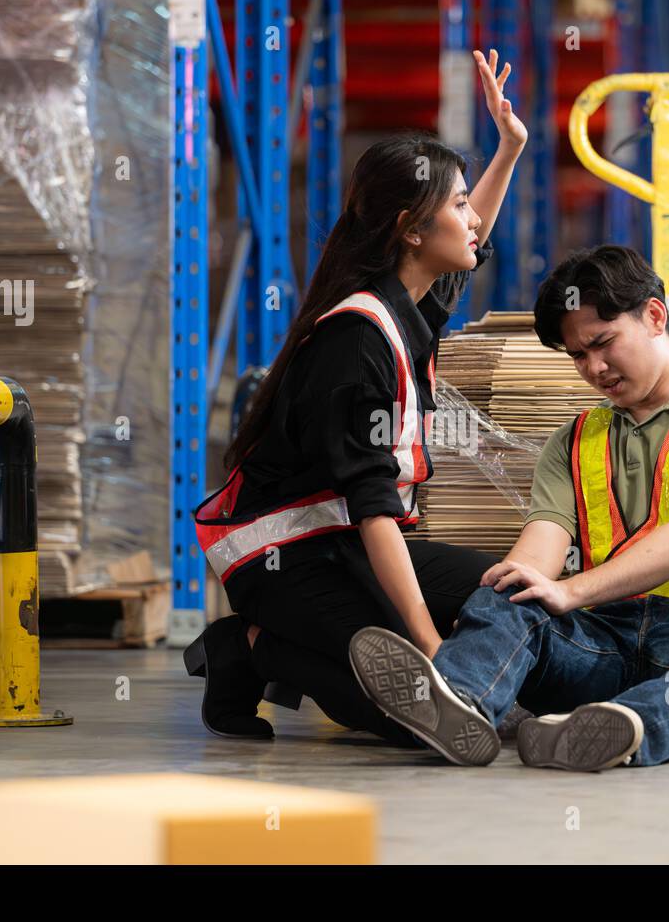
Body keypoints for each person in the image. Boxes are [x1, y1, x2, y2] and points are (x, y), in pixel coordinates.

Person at [186, 50, 527, 744]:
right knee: (413, 715)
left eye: (466, 203)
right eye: (457, 206)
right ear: (410, 229)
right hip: (280, 558)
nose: (470, 220)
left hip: (346, 541)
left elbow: (470, 245)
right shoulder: (356, 339)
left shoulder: (405, 303)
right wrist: (434, 650)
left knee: (510, 591)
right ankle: (247, 647)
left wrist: (510, 147)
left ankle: (392, 660)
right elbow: (373, 508)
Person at [348, 245, 669, 770]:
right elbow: (538, 553)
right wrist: (515, 586)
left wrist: (571, 591)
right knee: (506, 590)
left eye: (603, 343)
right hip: (603, 646)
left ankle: (622, 727)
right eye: (578, 355)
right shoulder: (573, 441)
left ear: (653, 316)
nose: (594, 368)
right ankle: (459, 702)